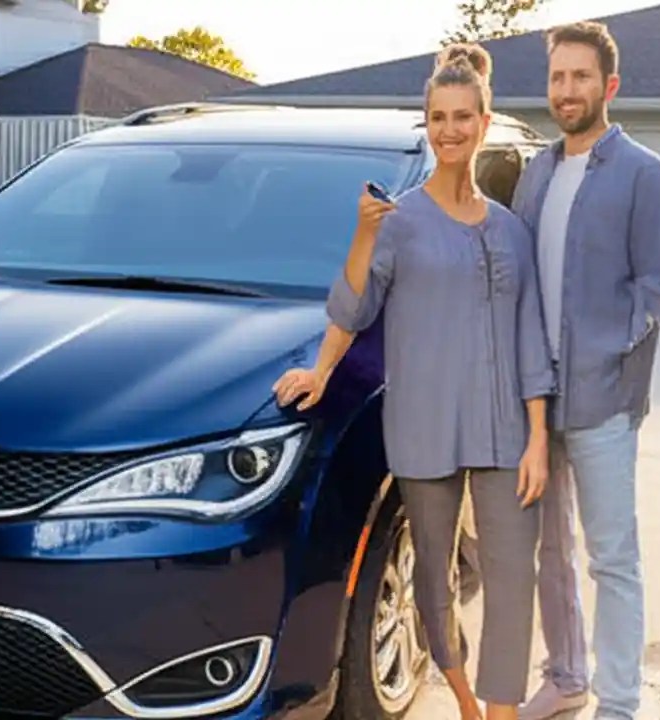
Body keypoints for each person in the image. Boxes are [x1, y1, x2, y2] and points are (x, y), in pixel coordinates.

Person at [273, 43, 554, 720]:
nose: (450, 129)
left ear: (484, 122)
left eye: (462, 116)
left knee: (513, 578)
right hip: (423, 425)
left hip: (505, 430)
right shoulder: (398, 222)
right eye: (438, 117)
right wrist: (321, 368)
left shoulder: (512, 232)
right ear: (427, 124)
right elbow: (354, 309)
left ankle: (501, 711)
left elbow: (531, 337)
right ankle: (464, 702)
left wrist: (539, 435)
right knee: (433, 574)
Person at [511, 21, 660, 720]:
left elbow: (656, 287)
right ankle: (566, 678)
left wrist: (606, 349)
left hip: (606, 401)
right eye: (558, 77)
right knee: (550, 554)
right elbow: (520, 274)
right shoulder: (538, 173)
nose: (567, 89)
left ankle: (619, 703)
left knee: (612, 560)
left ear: (608, 85)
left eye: (581, 76)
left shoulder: (645, 173)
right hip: (540, 407)